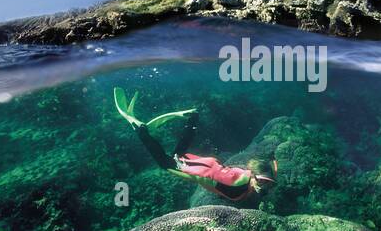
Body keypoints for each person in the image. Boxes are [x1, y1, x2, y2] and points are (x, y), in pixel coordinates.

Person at [114, 87, 276, 202]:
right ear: (254, 175)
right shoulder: (237, 181)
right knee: (165, 162)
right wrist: (176, 170)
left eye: (268, 183)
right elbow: (202, 178)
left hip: (211, 166)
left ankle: (193, 117)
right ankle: (139, 128)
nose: (265, 185)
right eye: (263, 181)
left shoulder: (247, 180)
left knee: (179, 152)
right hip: (203, 170)